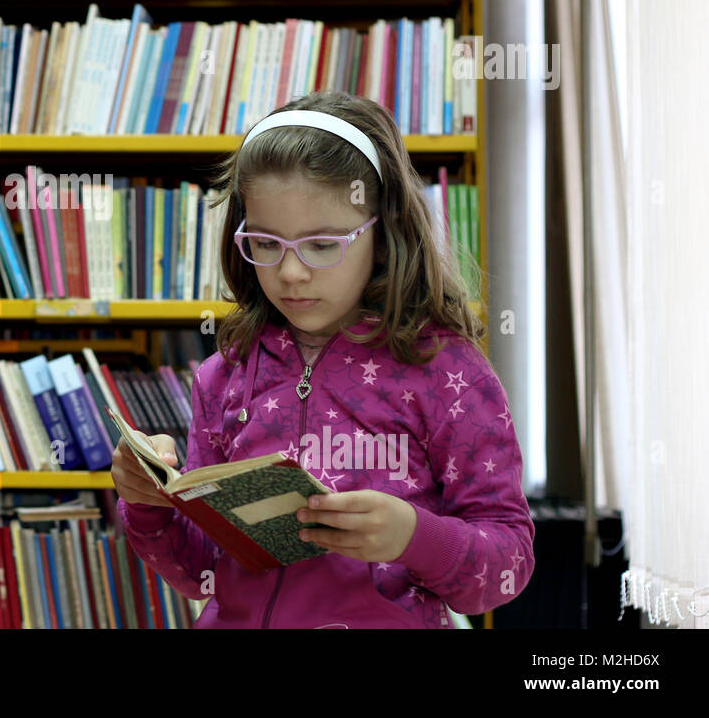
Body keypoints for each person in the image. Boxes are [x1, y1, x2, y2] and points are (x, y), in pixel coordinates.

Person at [112, 91, 535, 628]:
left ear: (383, 236)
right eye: (265, 243)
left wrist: (413, 536)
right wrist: (150, 501)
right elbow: (200, 571)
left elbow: (508, 563)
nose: (291, 273)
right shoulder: (225, 374)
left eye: (322, 245)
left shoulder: (445, 371)